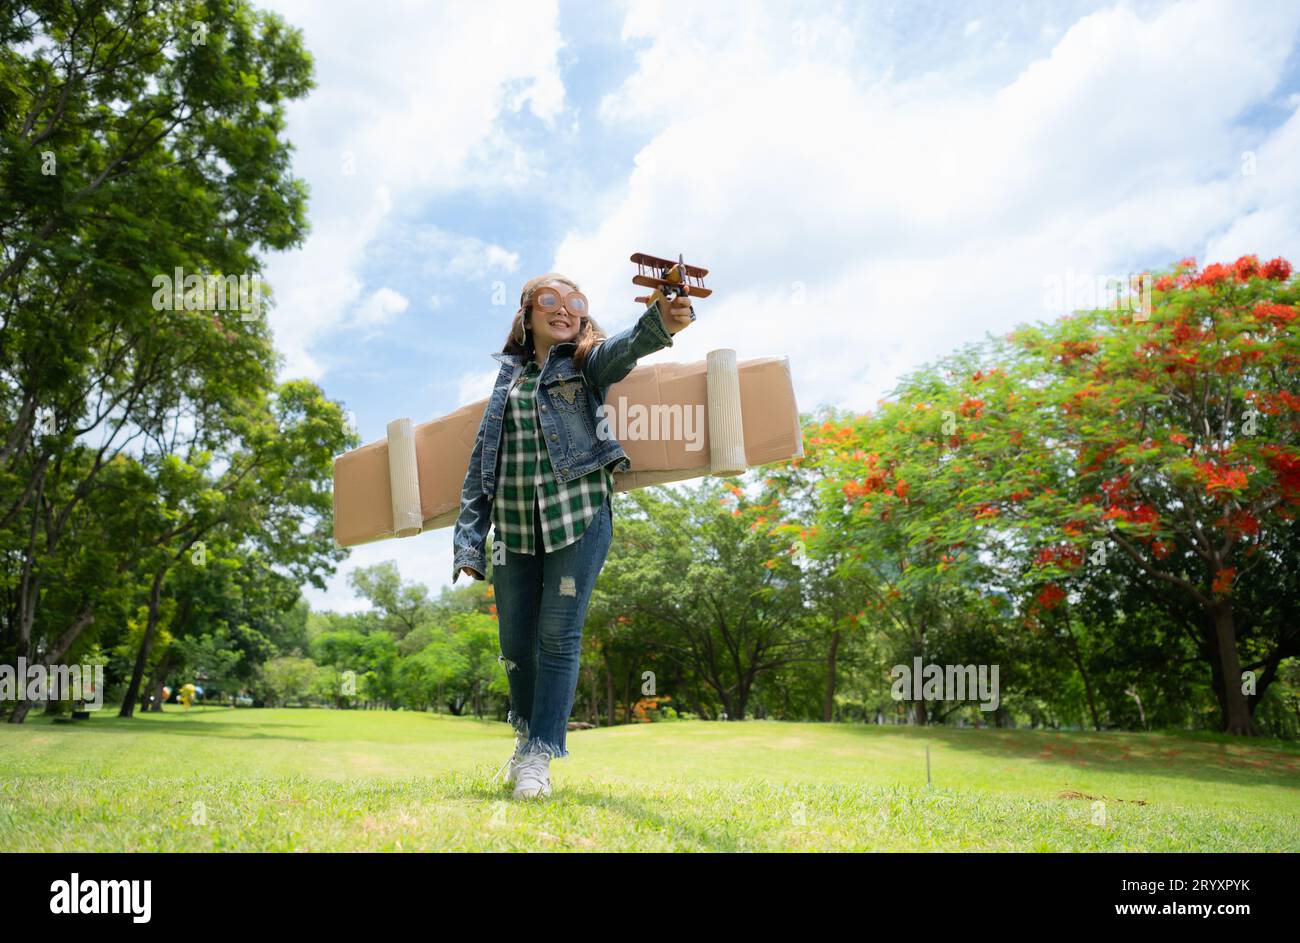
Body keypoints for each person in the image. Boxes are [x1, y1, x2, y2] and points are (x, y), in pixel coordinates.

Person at [452, 271, 696, 799]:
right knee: (516, 643)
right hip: (514, 525)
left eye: (575, 302)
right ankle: (525, 739)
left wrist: (663, 319)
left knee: (557, 638)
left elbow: (627, 349)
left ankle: (539, 754)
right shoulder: (507, 381)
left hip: (578, 514)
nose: (563, 309)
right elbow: (480, 466)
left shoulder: (587, 363)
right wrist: (469, 541)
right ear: (527, 313)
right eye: (550, 300)